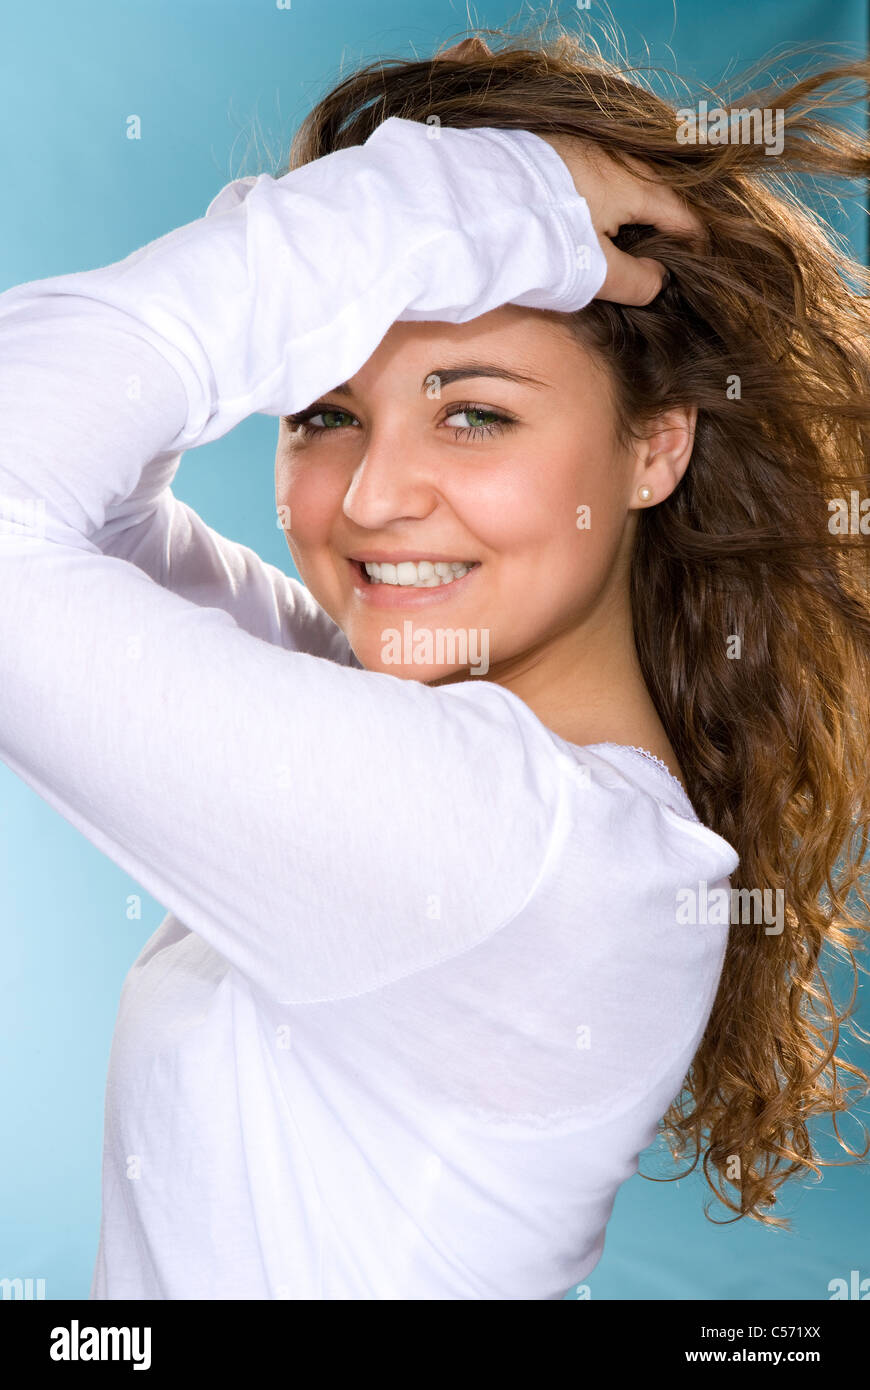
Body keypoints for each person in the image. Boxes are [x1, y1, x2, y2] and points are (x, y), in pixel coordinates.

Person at [0, 28, 868, 1301]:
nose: (372, 497)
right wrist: (374, 223)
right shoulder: (490, 784)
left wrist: (436, 211)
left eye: (475, 412)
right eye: (325, 412)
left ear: (655, 449)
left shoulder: (512, 851)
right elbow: (78, 501)